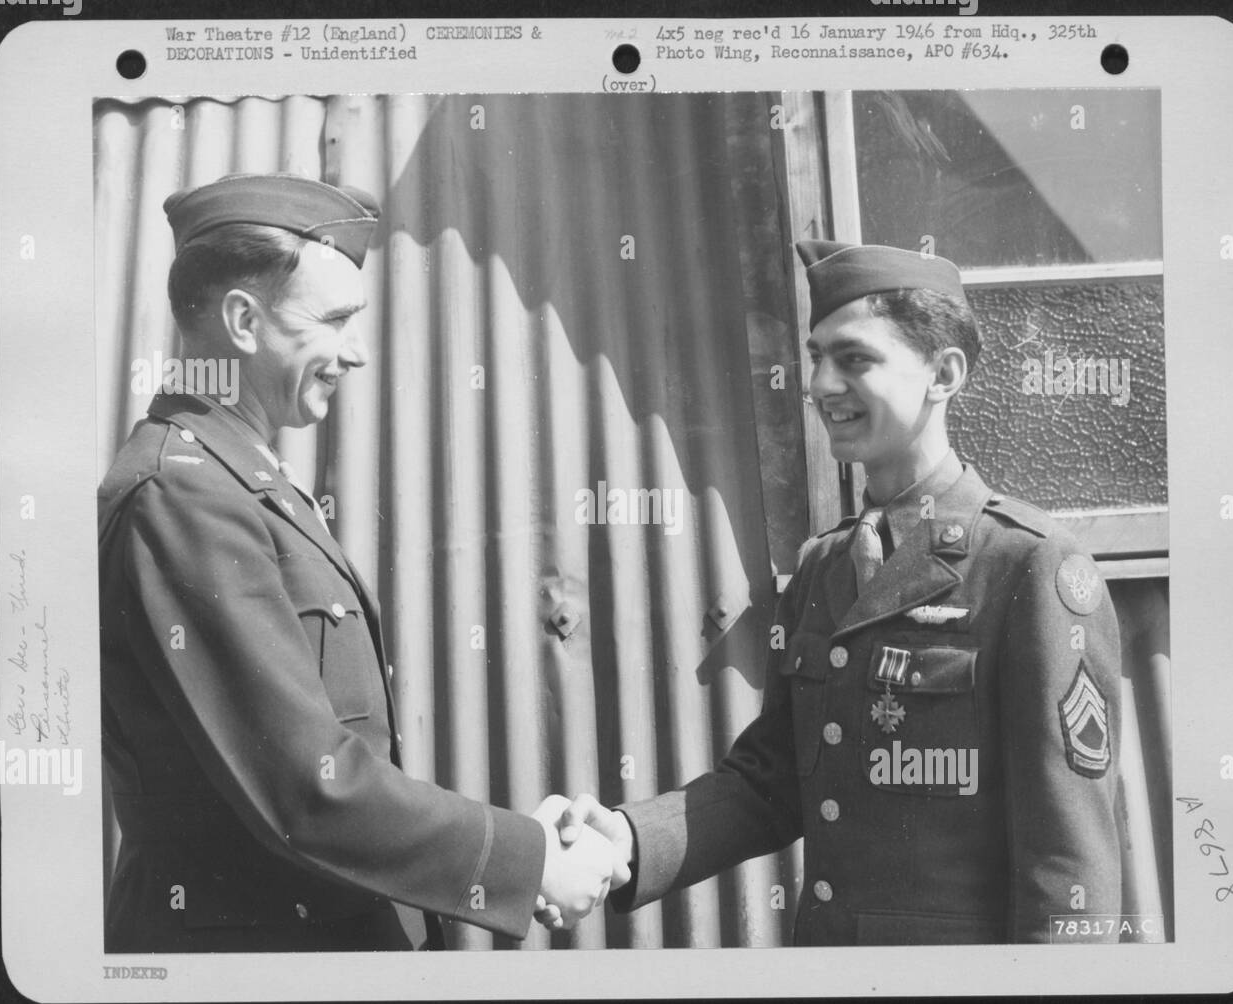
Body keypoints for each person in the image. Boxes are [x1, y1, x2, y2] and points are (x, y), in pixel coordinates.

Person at [99, 173, 623, 953]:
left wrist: (510, 849)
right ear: (243, 320)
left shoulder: (239, 476)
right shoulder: (182, 494)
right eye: (336, 320)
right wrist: (528, 860)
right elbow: (309, 789)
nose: (358, 353)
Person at [549, 241, 1124, 944]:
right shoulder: (825, 566)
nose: (820, 382)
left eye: (854, 359)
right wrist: (626, 841)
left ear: (943, 372)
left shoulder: (1030, 568)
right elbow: (772, 778)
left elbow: (1069, 865)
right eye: (816, 356)